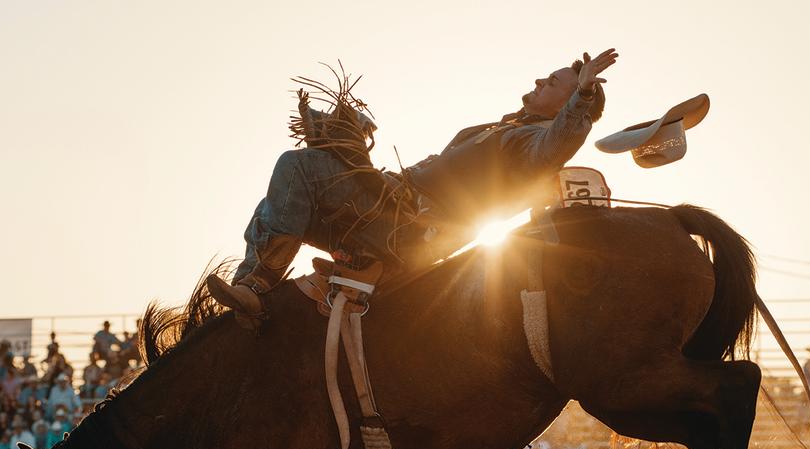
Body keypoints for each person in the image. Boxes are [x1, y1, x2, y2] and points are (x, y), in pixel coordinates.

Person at [207, 49, 618, 320]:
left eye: (551, 82)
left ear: (568, 102)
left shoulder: (528, 142)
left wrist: (582, 96)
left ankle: (257, 285)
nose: (538, 82)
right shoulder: (503, 128)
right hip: (392, 208)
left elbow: (554, 147)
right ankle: (327, 268)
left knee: (296, 167)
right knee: (280, 202)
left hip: (407, 227)